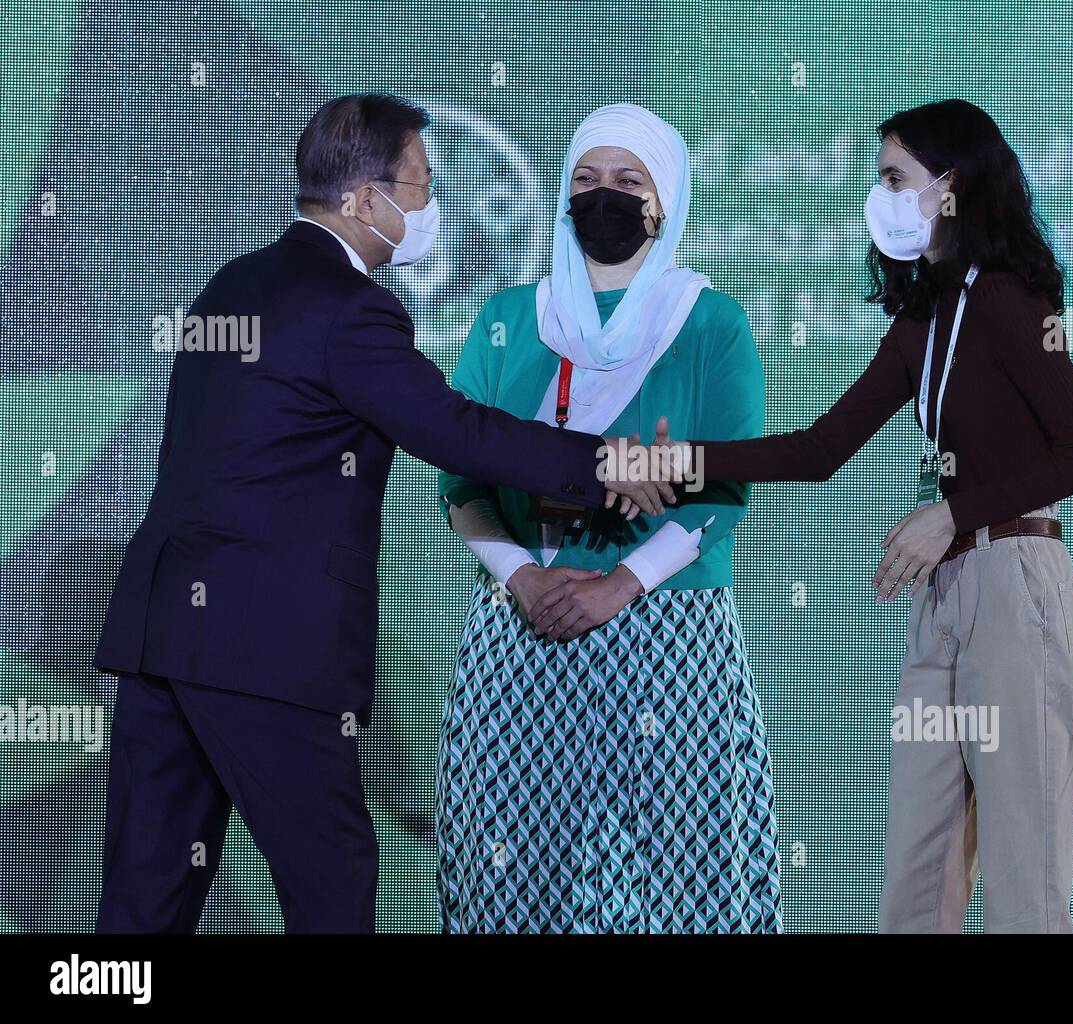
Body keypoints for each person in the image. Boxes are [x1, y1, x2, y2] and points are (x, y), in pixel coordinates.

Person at [92, 93, 670, 934]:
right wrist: (611, 464)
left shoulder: (234, 280)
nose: (431, 209)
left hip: (162, 633)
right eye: (422, 187)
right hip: (265, 645)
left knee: (143, 904)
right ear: (366, 201)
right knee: (331, 885)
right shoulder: (347, 306)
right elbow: (460, 433)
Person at [669, 99, 1073, 932]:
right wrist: (678, 461)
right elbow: (818, 449)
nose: (878, 196)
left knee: (1026, 871)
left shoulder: (1011, 298)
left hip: (1014, 584)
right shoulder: (924, 318)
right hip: (942, 597)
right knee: (918, 872)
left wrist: (952, 513)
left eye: (893, 178)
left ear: (950, 187)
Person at [437, 103, 781, 933]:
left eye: (629, 183)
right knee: (510, 870)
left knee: (682, 875)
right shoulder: (506, 321)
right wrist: (523, 578)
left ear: (665, 202)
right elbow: (459, 484)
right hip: (523, 627)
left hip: (670, 628)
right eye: (586, 181)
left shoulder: (712, 324)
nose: (606, 198)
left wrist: (620, 585)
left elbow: (721, 490)